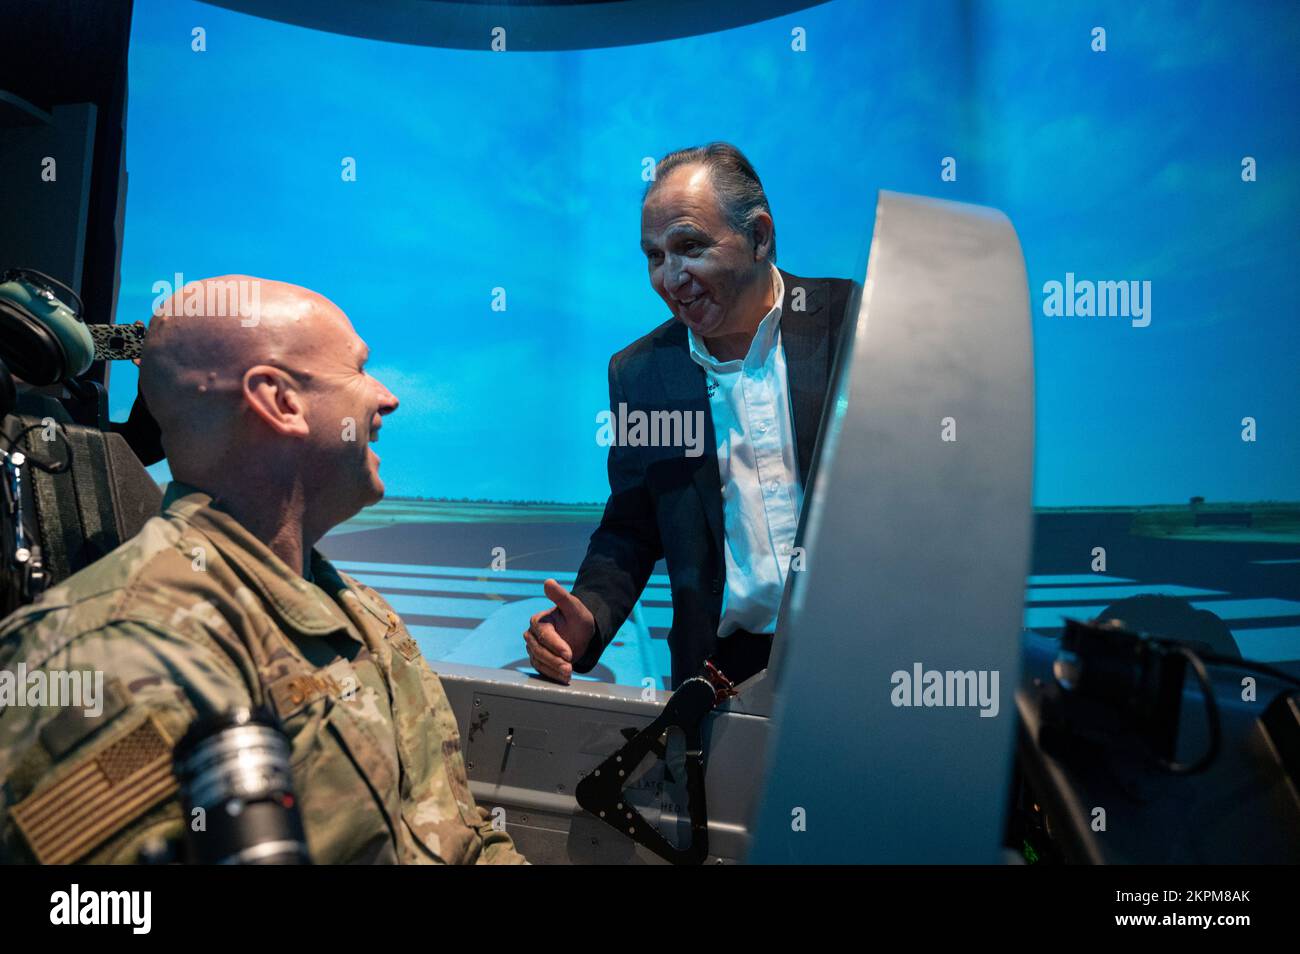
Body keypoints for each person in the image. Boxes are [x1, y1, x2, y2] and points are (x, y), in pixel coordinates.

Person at [0, 276, 525, 864]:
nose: (386, 398)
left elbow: (465, 842)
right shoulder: (119, 659)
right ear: (279, 401)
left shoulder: (363, 615)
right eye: (358, 370)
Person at [525, 143, 855, 689]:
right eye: (655, 257)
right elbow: (631, 525)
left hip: (865, 655)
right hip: (725, 678)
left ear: (760, 238)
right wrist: (589, 614)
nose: (671, 277)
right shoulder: (643, 375)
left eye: (690, 246)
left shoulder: (850, 324)